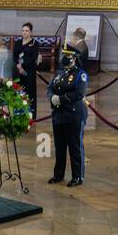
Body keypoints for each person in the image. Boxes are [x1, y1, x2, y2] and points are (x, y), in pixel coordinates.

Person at [46, 45, 88, 187]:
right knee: (60, 146)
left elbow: (79, 93)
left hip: (74, 114)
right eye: (63, 55)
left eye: (67, 55)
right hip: (59, 114)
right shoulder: (59, 73)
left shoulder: (80, 74)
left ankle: (78, 177)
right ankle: (58, 174)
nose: (63, 58)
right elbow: (50, 88)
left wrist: (61, 99)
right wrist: (52, 97)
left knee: (75, 146)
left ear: (74, 58)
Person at [13, 23, 40, 113]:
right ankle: (18, 112)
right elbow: (14, 55)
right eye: (23, 30)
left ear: (31, 32)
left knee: (29, 92)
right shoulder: (17, 42)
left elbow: (33, 58)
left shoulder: (35, 44)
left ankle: (30, 113)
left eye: (27, 31)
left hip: (29, 71)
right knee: (18, 90)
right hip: (18, 71)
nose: (24, 32)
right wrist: (18, 65)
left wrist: (22, 66)